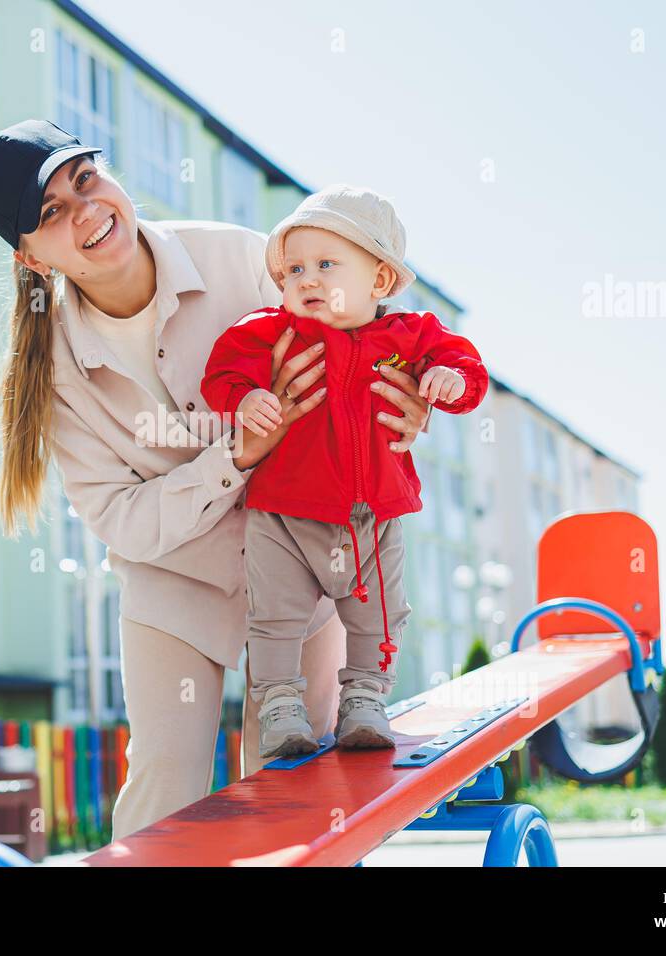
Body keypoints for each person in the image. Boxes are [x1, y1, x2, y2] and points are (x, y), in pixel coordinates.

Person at [0, 120, 431, 840]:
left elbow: (361, 332)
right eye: (51, 213)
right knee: (165, 789)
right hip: (174, 583)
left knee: (294, 786)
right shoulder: (54, 371)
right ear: (30, 258)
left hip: (306, 556)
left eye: (85, 180)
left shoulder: (237, 257)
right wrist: (235, 456)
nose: (85, 212)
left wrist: (405, 391)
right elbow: (122, 520)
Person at [201, 184, 488, 759]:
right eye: (293, 269)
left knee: (380, 614)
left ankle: (365, 698)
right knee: (275, 616)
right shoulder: (270, 330)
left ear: (379, 281)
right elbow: (223, 373)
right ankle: (280, 706)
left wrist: (450, 383)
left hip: (373, 517)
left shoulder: (410, 336)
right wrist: (245, 397)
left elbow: (464, 365)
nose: (305, 280)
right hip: (281, 512)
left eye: (325, 265)